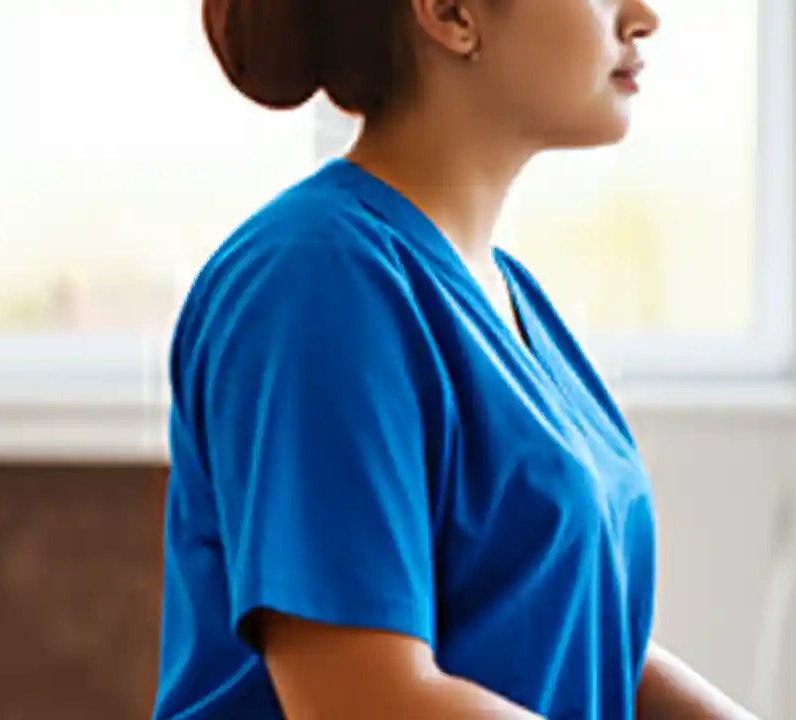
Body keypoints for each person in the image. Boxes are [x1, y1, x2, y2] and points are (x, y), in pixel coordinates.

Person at [154, 0, 759, 717]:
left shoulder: (505, 293)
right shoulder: (317, 279)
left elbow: (576, 639)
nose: (643, 15)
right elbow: (362, 698)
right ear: (450, 12)